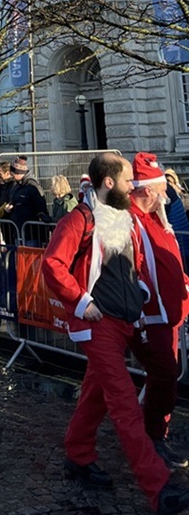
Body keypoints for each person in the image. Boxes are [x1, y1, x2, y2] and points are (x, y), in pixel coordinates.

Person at [41, 152, 189, 513]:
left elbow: (132, 266)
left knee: (97, 393)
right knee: (124, 403)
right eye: (126, 180)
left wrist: (139, 296)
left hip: (123, 320)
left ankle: (78, 453)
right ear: (109, 182)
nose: (131, 185)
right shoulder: (80, 219)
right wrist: (81, 302)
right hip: (98, 323)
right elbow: (52, 265)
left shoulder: (123, 217)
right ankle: (158, 488)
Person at [128, 153, 189, 469]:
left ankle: (152, 434)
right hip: (149, 317)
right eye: (162, 189)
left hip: (169, 313)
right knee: (165, 376)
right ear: (148, 190)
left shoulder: (157, 218)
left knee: (165, 377)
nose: (167, 196)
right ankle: (148, 436)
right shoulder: (130, 221)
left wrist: (184, 284)